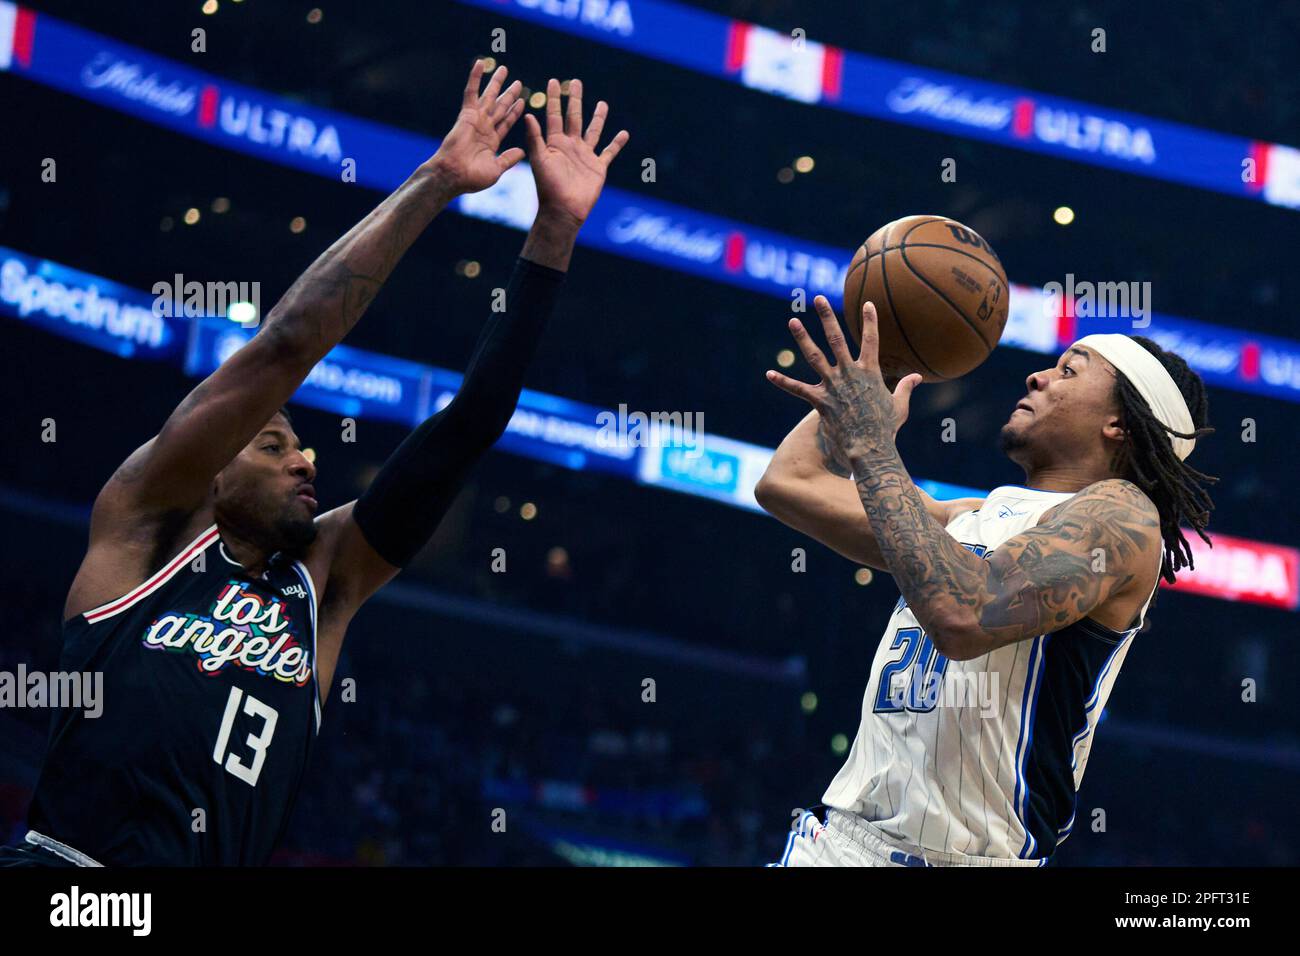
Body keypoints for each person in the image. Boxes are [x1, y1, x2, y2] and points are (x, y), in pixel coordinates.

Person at [0, 60, 627, 866]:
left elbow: (467, 426)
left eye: (302, 447)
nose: (306, 459)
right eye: (274, 443)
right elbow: (286, 344)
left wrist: (552, 237)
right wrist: (437, 180)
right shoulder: (146, 526)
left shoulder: (325, 581)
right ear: (213, 469)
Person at [757, 296, 1216, 866]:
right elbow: (789, 483)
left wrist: (871, 445)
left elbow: (964, 615)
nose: (1038, 375)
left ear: (1118, 423)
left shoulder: (1124, 518)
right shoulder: (971, 516)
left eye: (1069, 371)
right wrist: (888, 365)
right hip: (841, 843)